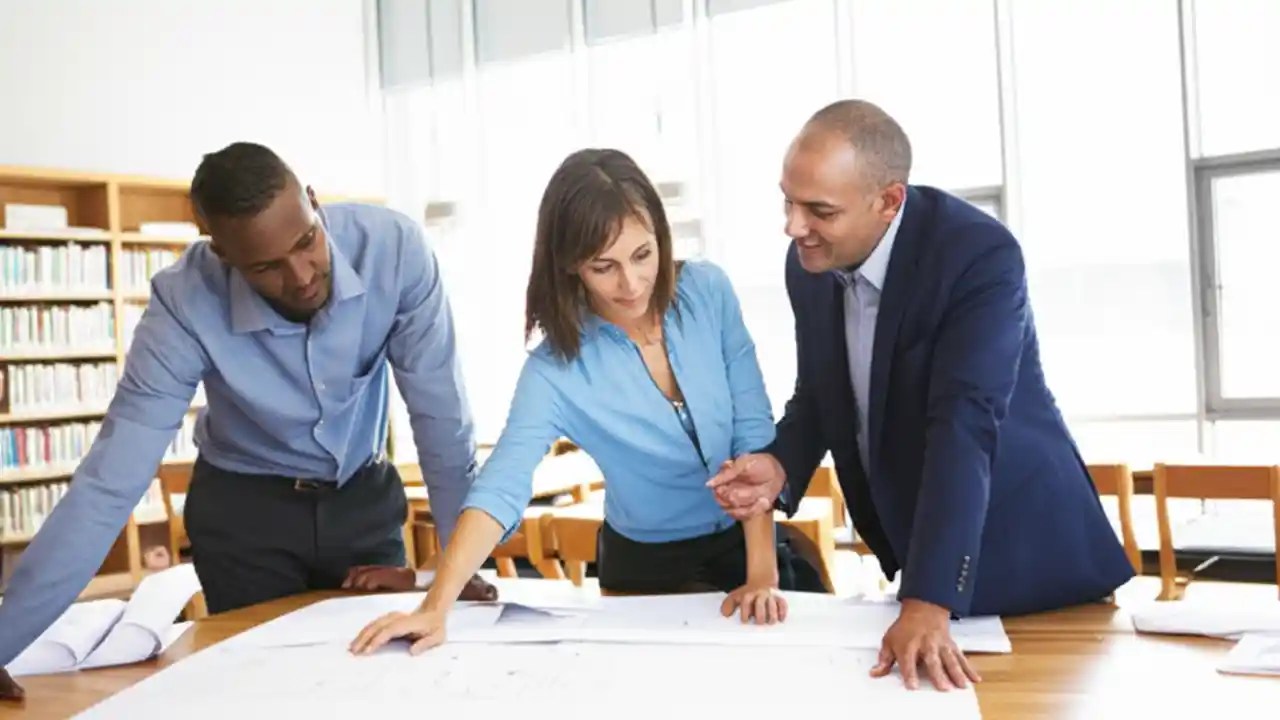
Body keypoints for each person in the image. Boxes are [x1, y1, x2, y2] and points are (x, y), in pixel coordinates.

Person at [0, 142, 494, 697]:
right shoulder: (184, 303)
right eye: (267, 267)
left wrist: (459, 564)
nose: (302, 274)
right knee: (263, 692)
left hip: (363, 503)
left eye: (307, 241)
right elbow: (109, 483)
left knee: (383, 685)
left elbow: (441, 419)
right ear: (222, 255)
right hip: (245, 517)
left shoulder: (394, 251)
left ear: (313, 202)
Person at [707, 100, 1135, 691]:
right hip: (926, 561)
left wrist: (930, 596)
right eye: (788, 200)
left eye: (818, 210)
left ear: (889, 201)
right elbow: (822, 392)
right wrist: (781, 465)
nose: (793, 226)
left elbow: (964, 423)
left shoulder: (978, 255)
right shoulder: (809, 260)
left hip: (1029, 557)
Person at [349, 148, 818, 657]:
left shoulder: (707, 292)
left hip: (748, 549)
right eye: (604, 267)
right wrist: (435, 605)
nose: (631, 284)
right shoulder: (554, 371)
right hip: (644, 574)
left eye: (643, 254)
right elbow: (501, 485)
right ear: (571, 266)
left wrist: (762, 574)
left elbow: (752, 428)